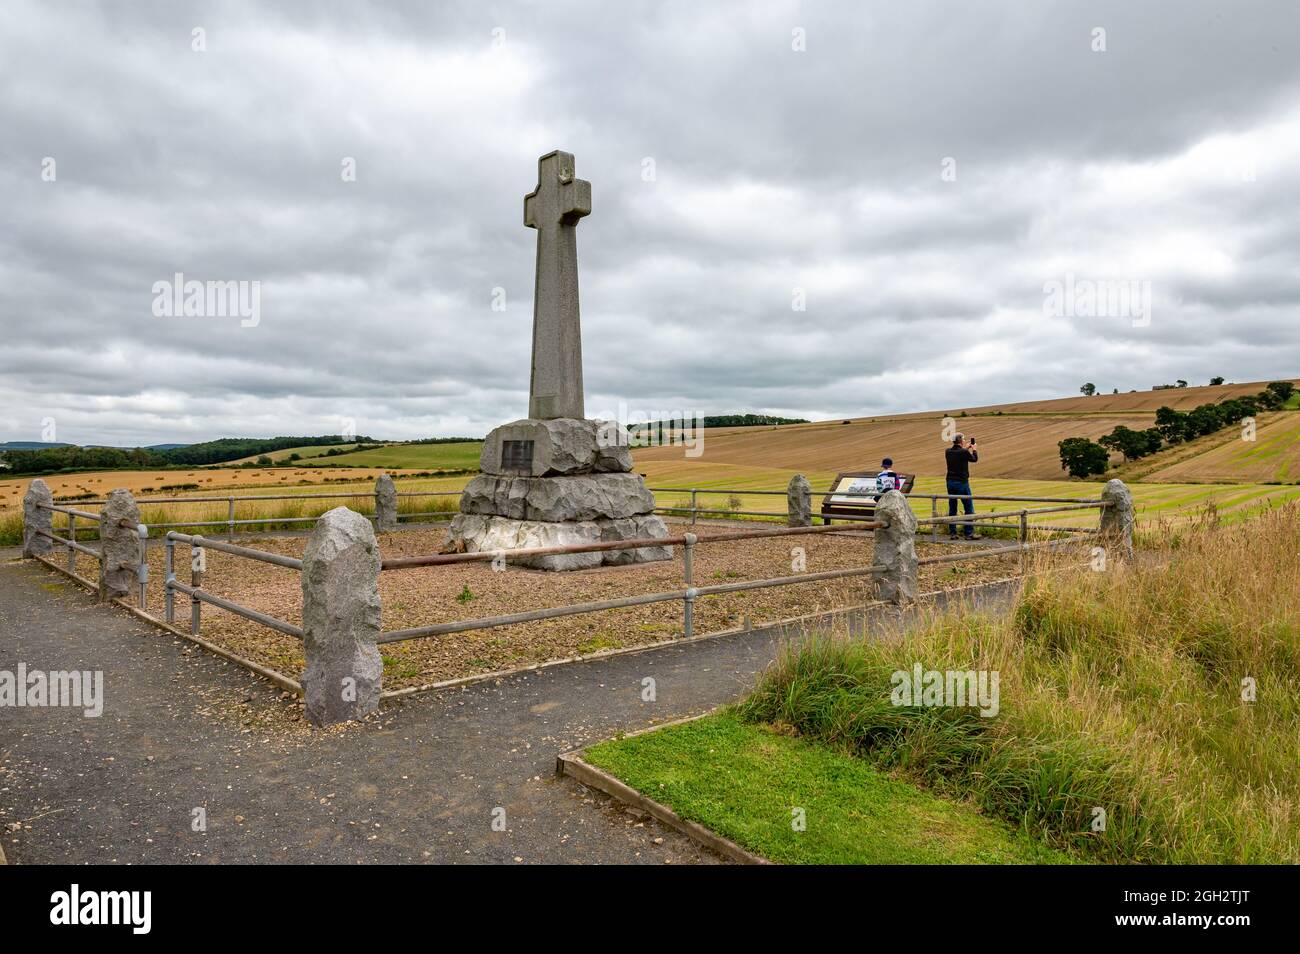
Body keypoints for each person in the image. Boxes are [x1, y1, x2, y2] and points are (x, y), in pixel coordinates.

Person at [944, 434, 980, 540]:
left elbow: (958, 453)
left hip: (950, 482)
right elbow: (974, 459)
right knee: (968, 507)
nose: (964, 440)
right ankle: (968, 533)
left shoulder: (948, 451)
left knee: (953, 507)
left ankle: (953, 533)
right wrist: (974, 449)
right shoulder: (964, 452)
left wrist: (966, 448)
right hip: (962, 482)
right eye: (963, 439)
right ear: (960, 441)